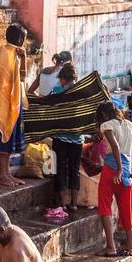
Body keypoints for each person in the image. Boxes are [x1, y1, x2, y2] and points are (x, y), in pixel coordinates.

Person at [96, 101, 132, 257]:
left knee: (105, 206)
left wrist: (118, 169)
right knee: (125, 208)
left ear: (103, 115)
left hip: (112, 170)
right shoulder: (129, 124)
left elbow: (115, 146)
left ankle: (111, 247)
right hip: (128, 173)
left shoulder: (106, 125)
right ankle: (131, 246)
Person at [0, 24, 30, 187]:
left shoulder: (16, 54)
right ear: (19, 39)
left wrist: (24, 58)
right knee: (4, 140)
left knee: (9, 140)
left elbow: (22, 78)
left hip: (14, 103)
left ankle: (6, 174)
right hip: (3, 104)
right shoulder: (6, 53)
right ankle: (3, 174)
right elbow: (5, 83)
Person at [50, 65, 86, 213]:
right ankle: (74, 203)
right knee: (74, 169)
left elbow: (49, 108)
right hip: (77, 138)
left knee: (60, 168)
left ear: (63, 79)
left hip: (60, 137)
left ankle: (63, 203)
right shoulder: (82, 92)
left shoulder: (56, 91)